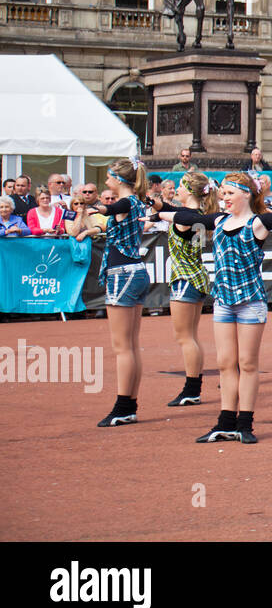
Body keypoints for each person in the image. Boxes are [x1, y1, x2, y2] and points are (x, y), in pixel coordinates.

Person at [158, 174, 272, 444]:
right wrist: (157, 210)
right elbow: (186, 218)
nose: (224, 198)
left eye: (229, 193)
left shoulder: (258, 222)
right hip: (223, 304)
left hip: (251, 303)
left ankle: (245, 423)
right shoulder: (219, 221)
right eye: (222, 193)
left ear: (246, 194)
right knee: (225, 364)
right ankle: (225, 422)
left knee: (247, 364)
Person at [88, 158, 151, 428]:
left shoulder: (127, 202)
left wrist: (83, 201)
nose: (106, 181)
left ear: (120, 179)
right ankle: (129, 404)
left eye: (110, 176)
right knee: (131, 345)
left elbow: (108, 208)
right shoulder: (135, 202)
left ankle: (124, 405)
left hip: (122, 274)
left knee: (123, 347)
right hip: (133, 270)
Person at [157, 171, 219, 408]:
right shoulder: (198, 214)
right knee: (190, 337)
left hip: (184, 278)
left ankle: (192, 389)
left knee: (185, 338)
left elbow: (169, 214)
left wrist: (156, 213)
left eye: (181, 186)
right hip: (196, 275)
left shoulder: (184, 216)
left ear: (189, 190)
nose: (177, 190)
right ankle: (193, 388)